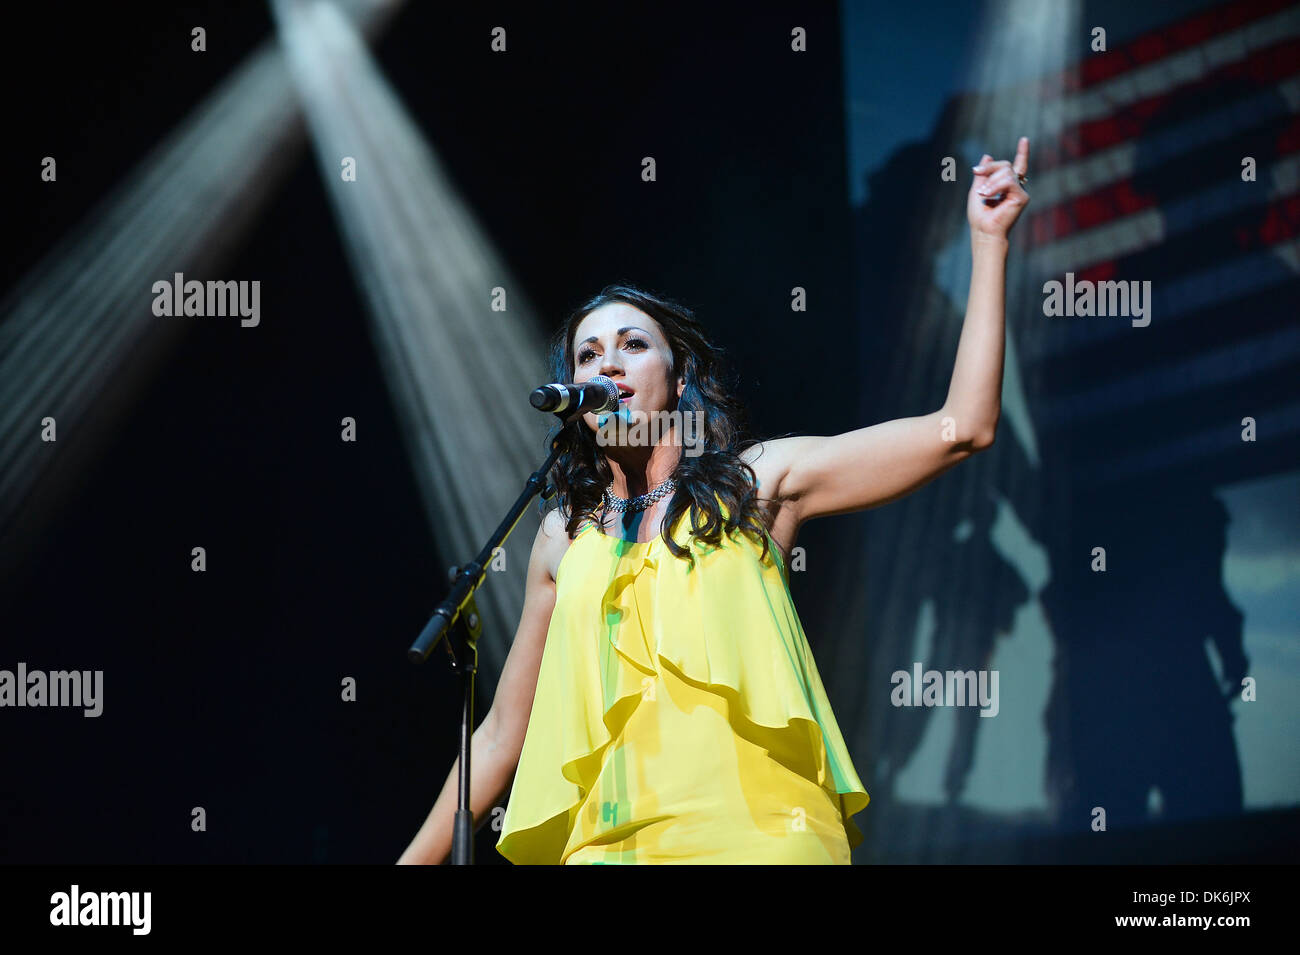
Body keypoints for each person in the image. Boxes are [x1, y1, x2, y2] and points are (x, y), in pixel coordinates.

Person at [397, 138, 1031, 864]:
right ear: (573, 400)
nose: (607, 362)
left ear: (677, 376)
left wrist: (988, 244)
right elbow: (502, 735)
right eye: (588, 354)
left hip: (758, 840)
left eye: (633, 344)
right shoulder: (561, 538)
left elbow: (963, 428)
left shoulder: (755, 484)